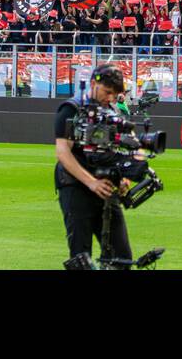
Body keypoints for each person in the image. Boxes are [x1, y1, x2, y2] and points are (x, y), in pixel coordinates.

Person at [53, 64, 133, 268]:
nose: (109, 98)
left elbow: (124, 150)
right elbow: (63, 151)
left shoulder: (112, 112)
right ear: (92, 84)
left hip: (107, 187)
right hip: (76, 187)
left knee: (122, 257)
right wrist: (91, 183)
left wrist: (124, 177)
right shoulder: (71, 109)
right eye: (107, 92)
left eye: (114, 95)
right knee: (81, 258)